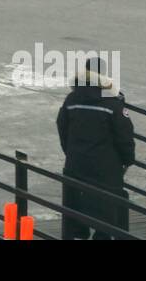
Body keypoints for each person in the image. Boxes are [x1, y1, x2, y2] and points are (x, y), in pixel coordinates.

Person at [56, 57, 135, 239]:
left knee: (74, 207)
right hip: (105, 168)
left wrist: (70, 151)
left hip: (75, 164)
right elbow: (124, 135)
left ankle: (76, 235)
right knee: (106, 212)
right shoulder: (112, 102)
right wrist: (128, 160)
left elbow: (62, 126)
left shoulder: (72, 99)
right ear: (104, 74)